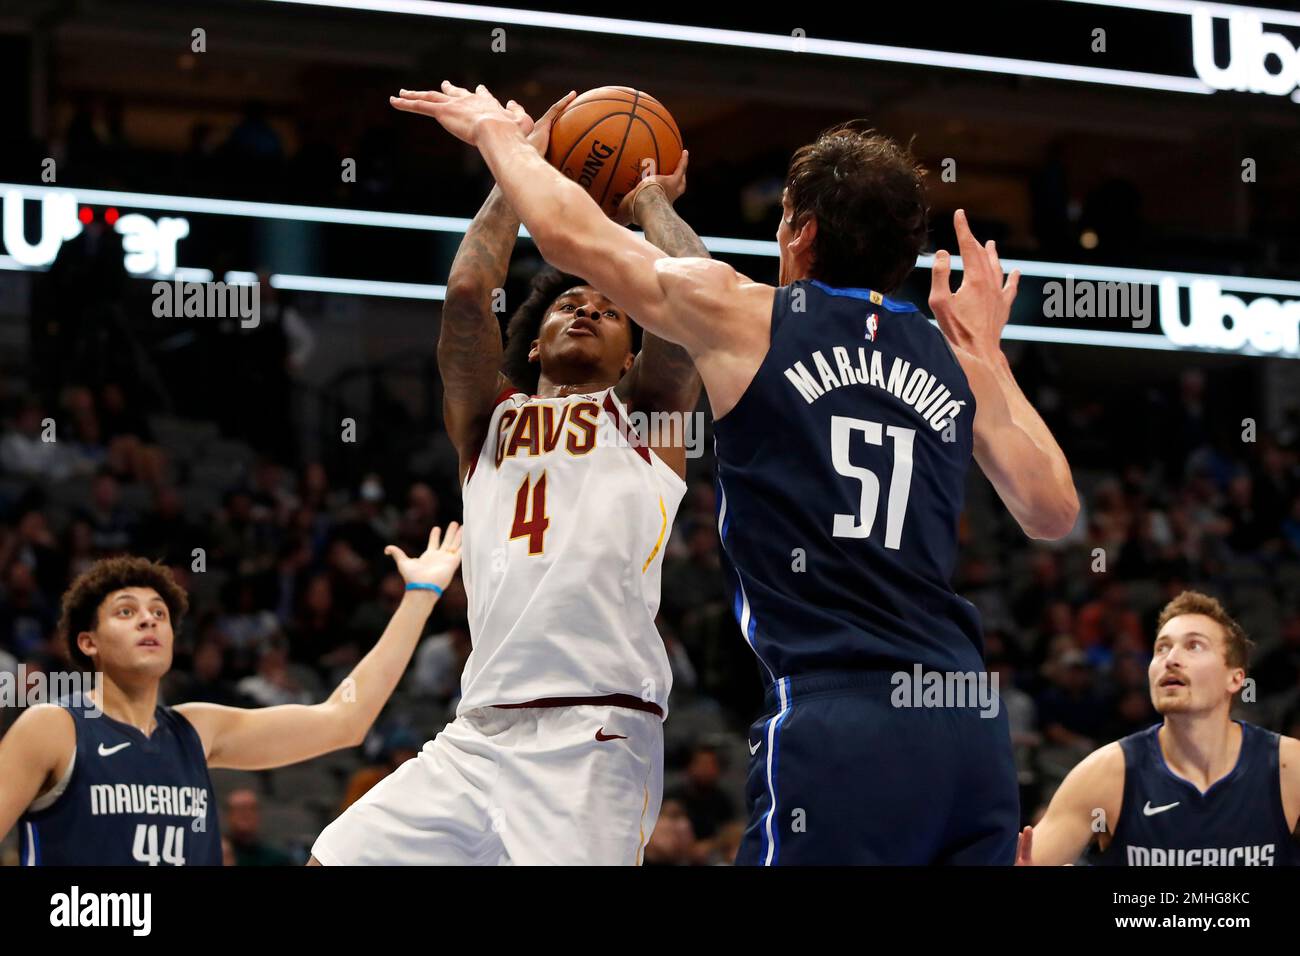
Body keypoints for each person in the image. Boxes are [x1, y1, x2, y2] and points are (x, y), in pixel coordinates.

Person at [391, 82, 1079, 864]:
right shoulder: (956, 362)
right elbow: (1054, 512)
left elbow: (565, 233)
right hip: (965, 725)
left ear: (801, 231)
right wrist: (989, 354)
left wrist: (497, 137)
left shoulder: (750, 316)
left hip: (840, 717)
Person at [311, 95, 706, 865]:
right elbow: (466, 296)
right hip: (479, 728)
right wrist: (514, 166)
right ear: (532, 346)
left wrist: (649, 199)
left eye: (610, 310)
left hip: (596, 731)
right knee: (334, 856)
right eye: (568, 302)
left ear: (632, 356)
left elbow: (694, 297)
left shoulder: (651, 420)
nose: (587, 309)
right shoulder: (487, 422)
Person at [0, 524, 461, 865]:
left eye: (159, 613)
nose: (149, 620)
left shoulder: (196, 729)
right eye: (126, 611)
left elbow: (345, 718)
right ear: (88, 642)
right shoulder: (54, 727)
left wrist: (420, 594)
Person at [1018, 591, 1300, 866]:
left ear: (1235, 678)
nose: (1171, 659)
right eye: (1161, 648)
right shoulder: (1106, 774)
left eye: (1194, 646)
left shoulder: (1289, 767)